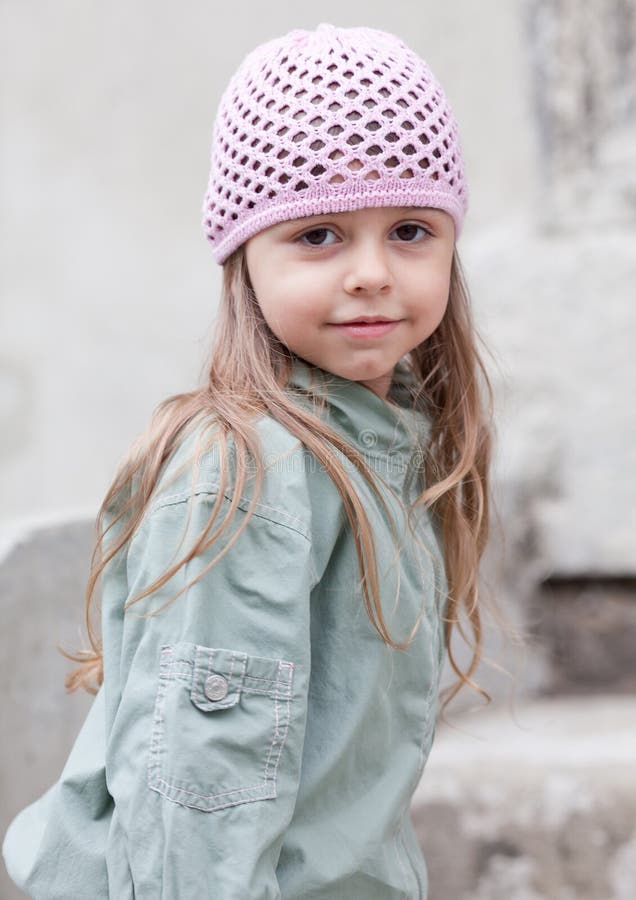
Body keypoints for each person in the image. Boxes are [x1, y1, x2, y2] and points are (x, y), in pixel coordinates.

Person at [2, 22, 500, 899]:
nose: (372, 272)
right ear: (243, 258)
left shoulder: (388, 439)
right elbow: (203, 799)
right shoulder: (249, 476)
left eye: (411, 228)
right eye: (318, 235)